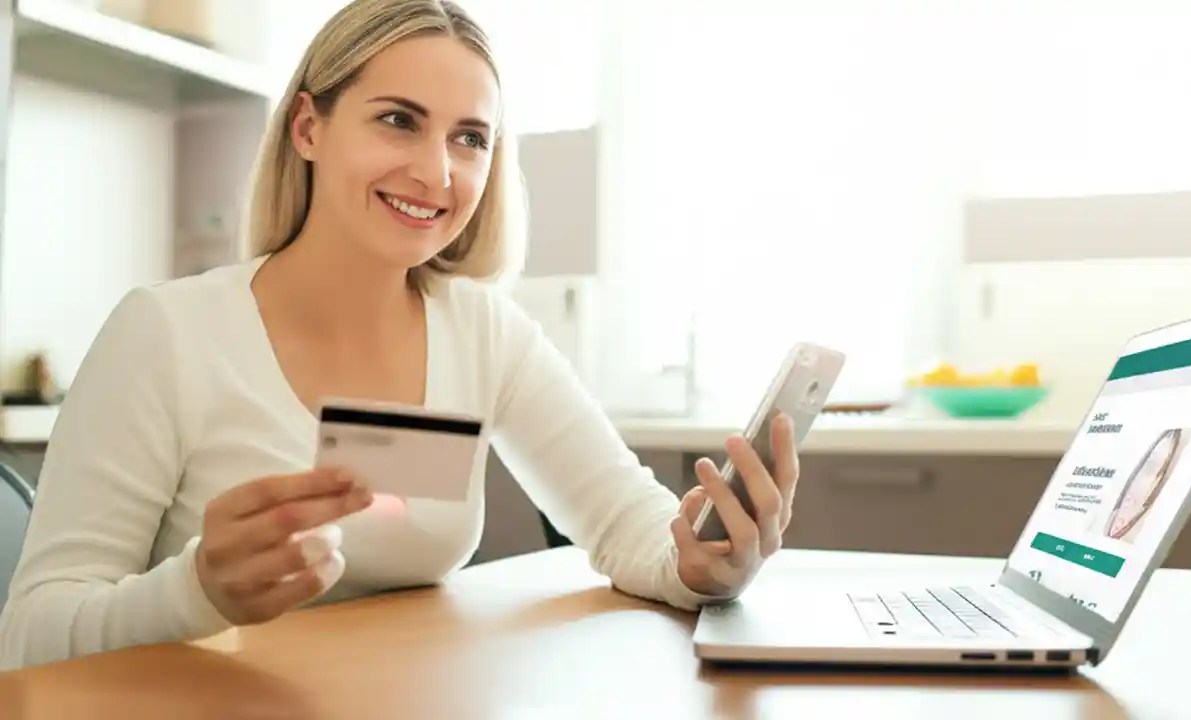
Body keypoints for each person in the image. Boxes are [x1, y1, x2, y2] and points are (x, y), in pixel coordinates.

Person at [0, 0, 800, 670]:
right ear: (308, 126)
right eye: (398, 121)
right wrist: (197, 591)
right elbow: (29, 634)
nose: (438, 173)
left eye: (469, 138)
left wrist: (701, 565)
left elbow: (630, 528)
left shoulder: (483, 332)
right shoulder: (164, 335)